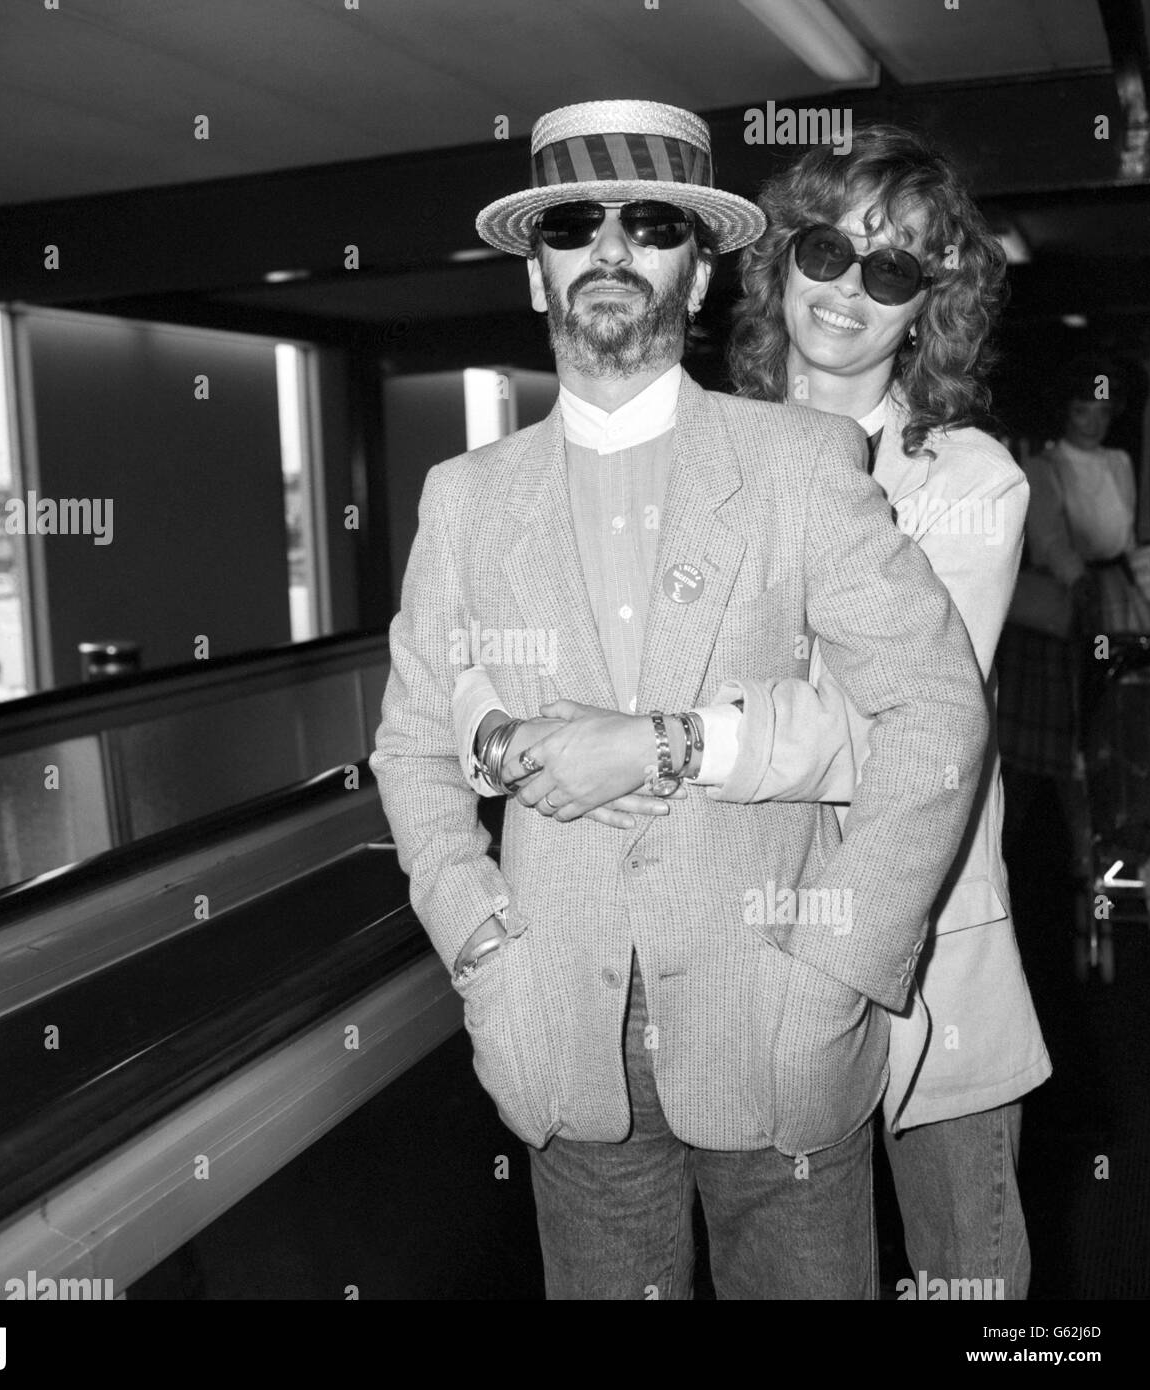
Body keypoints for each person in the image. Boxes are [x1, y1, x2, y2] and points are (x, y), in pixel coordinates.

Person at [371, 100, 989, 1300]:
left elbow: (936, 714)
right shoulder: (464, 498)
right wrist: (485, 950)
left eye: (649, 223)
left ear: (696, 274)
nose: (609, 249)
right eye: (572, 225)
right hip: (562, 1043)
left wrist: (839, 964)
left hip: (781, 1038)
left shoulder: (802, 463)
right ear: (535, 275)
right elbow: (411, 749)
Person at [999, 358, 1150, 873]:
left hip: (1110, 602)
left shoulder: (1119, 464)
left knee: (1104, 730)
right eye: (1085, 410)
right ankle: (1020, 859)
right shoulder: (1045, 467)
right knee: (1045, 755)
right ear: (1066, 412)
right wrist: (1086, 593)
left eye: (1104, 412)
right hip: (1054, 620)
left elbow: (1127, 542)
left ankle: (1103, 853)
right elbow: (1051, 542)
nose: (1095, 421)